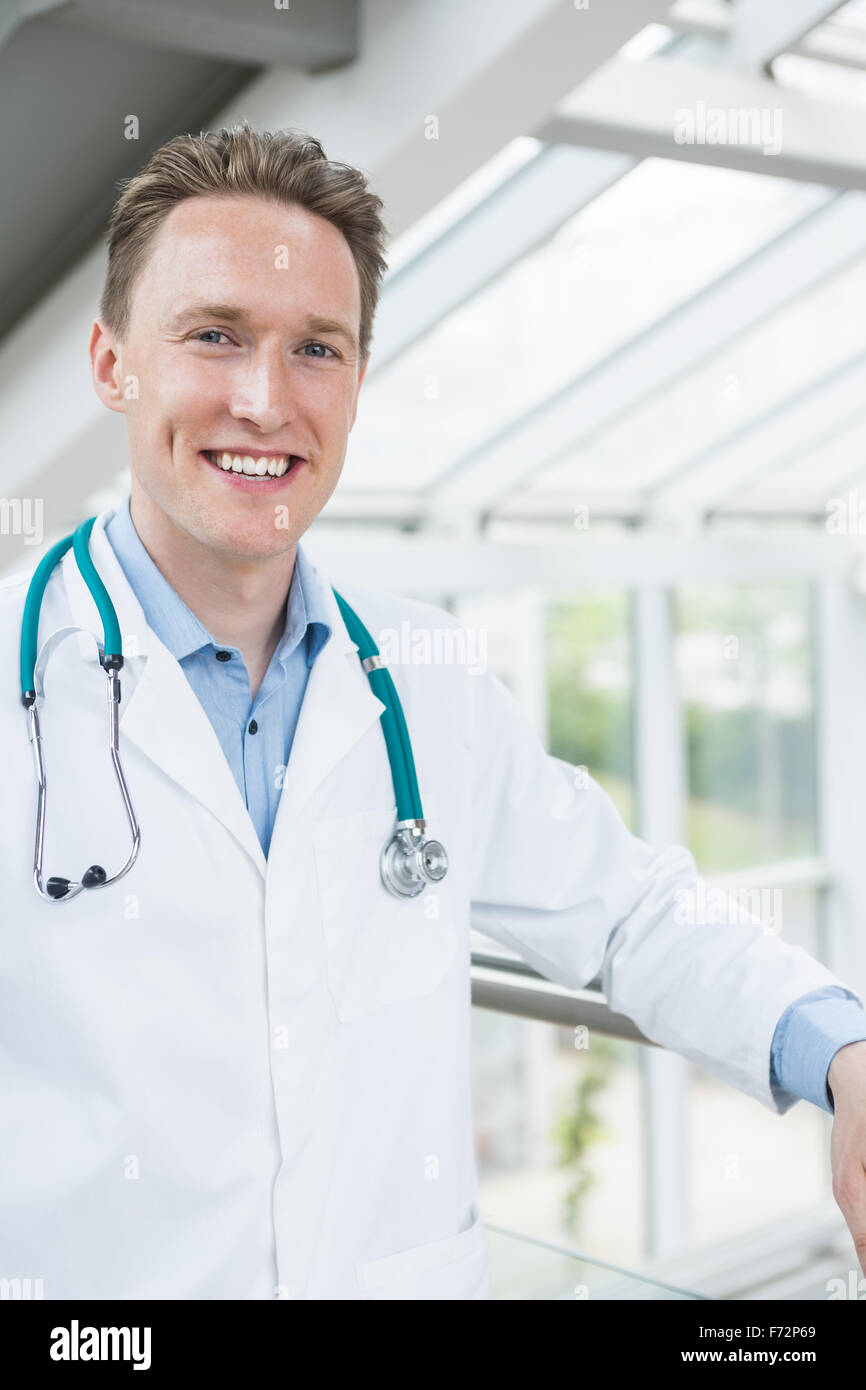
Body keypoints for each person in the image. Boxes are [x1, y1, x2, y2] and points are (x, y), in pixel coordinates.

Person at [2, 123, 866, 1301]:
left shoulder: (424, 680)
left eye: (317, 348)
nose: (265, 400)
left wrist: (841, 1051)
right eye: (214, 336)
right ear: (112, 365)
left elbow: (629, 915)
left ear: (356, 379)